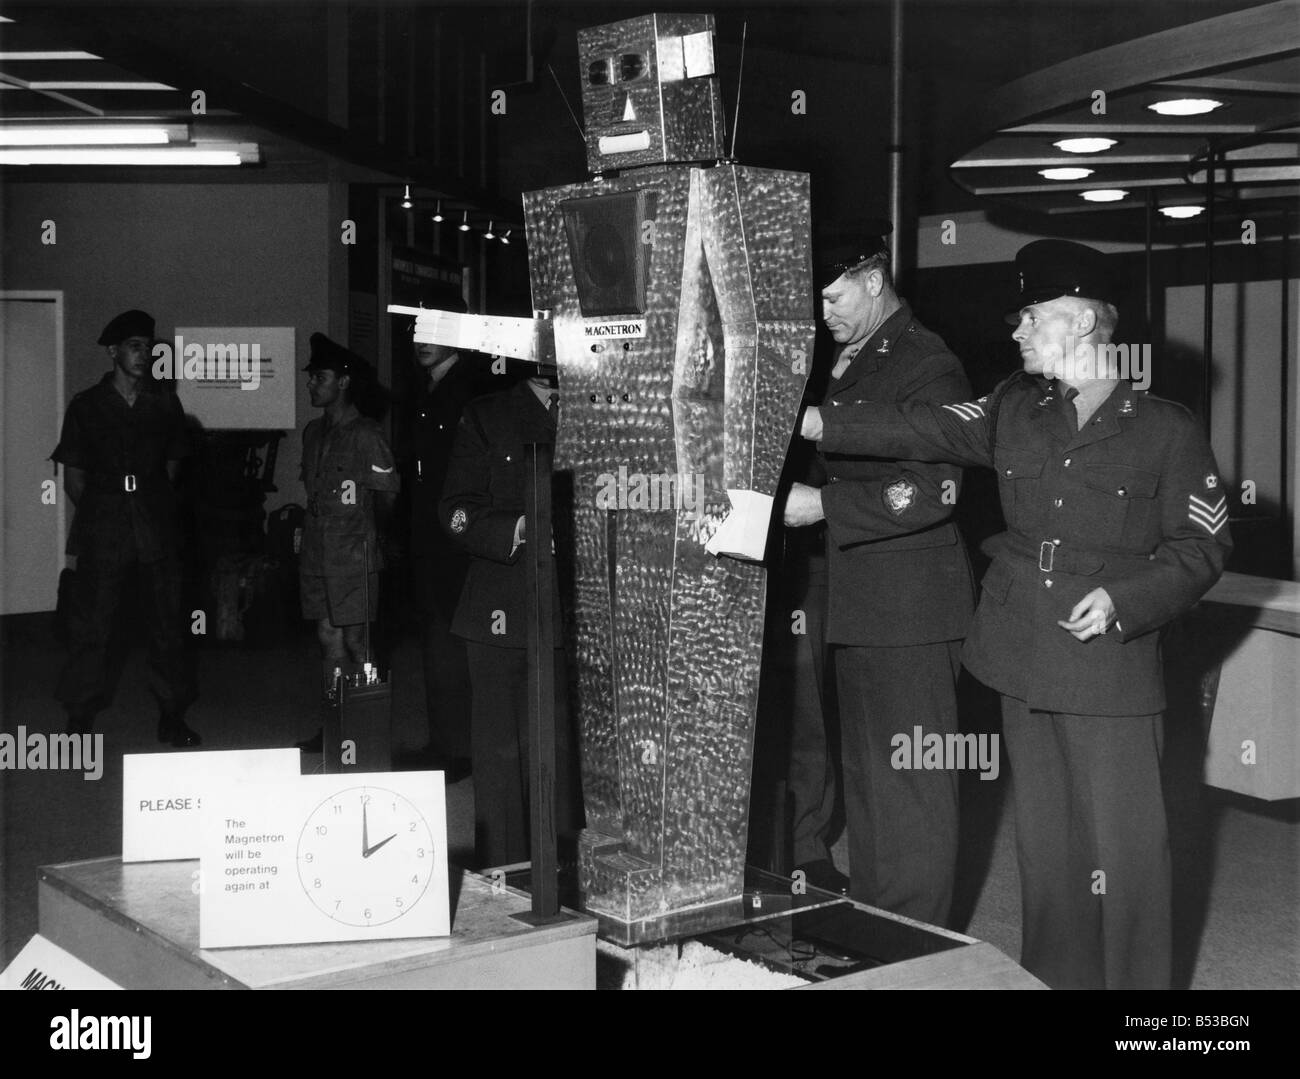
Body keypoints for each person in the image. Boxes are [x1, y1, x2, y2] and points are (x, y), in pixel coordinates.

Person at [799, 238, 1232, 989]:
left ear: (1086, 321)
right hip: (1019, 655)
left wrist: (1126, 600)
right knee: (1049, 854)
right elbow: (922, 428)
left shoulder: (1166, 427)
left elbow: (1202, 546)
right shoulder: (1012, 405)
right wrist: (816, 425)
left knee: (1127, 858)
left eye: (1032, 316)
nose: (1017, 331)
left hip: (1109, 668)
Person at [783, 229, 975, 922]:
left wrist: (821, 506)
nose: (823, 313)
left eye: (833, 296)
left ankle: (917, 944)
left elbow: (933, 491)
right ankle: (879, 926)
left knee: (912, 787)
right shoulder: (847, 355)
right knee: (869, 782)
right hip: (862, 600)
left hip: (912, 608)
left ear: (872, 278)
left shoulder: (926, 363)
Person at [440, 370, 578, 867]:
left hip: (588, 606)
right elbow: (456, 511)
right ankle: (506, 872)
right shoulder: (487, 415)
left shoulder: (609, 406)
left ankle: (570, 869)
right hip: (504, 604)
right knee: (503, 755)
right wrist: (520, 528)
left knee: (568, 754)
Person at [53, 309, 199, 746]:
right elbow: (74, 477)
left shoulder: (164, 404)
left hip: (155, 527)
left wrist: (145, 502)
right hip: (104, 527)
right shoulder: (87, 406)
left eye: (148, 348)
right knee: (92, 626)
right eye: (135, 347)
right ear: (113, 351)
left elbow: (173, 465)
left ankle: (172, 715)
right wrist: (109, 509)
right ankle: (80, 716)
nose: (144, 355)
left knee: (167, 626)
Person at [295, 333, 398, 751]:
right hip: (318, 552)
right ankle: (337, 722)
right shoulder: (312, 433)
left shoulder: (367, 435)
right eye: (311, 377)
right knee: (327, 636)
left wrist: (368, 537)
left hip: (354, 554)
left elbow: (388, 495)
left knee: (357, 641)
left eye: (319, 377)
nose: (311, 384)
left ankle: (370, 724)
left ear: (343, 382)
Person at [404, 311, 487, 779]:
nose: (423, 341)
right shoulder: (428, 391)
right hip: (429, 536)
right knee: (437, 640)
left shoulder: (467, 391)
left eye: (435, 332)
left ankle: (458, 750)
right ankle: (444, 744)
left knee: (454, 641)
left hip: (456, 537)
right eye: (417, 333)